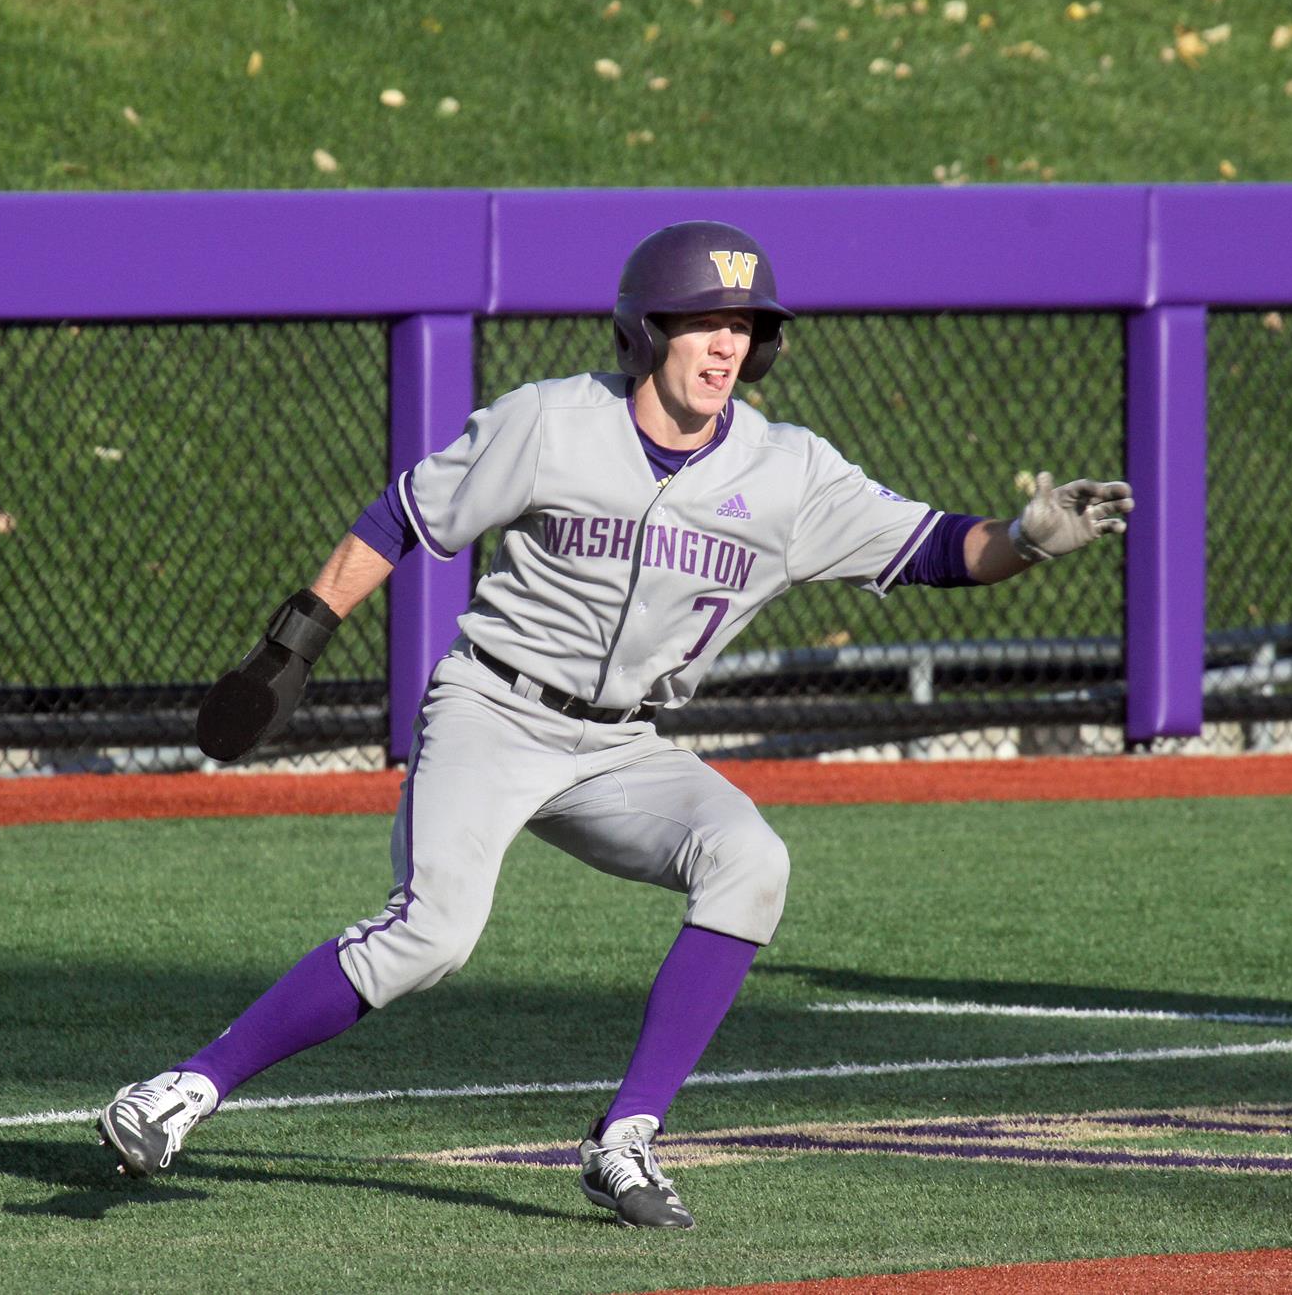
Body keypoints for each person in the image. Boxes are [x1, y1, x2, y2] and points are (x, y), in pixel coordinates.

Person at [98, 220, 1132, 1229]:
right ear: (646, 329)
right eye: (702, 320)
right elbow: (401, 517)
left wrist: (1031, 538)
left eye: (744, 325)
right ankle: (182, 1089)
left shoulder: (788, 472)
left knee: (749, 859)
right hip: (493, 710)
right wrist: (292, 648)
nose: (726, 343)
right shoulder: (550, 420)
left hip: (623, 747)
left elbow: (938, 548)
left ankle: (625, 1134)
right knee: (432, 932)